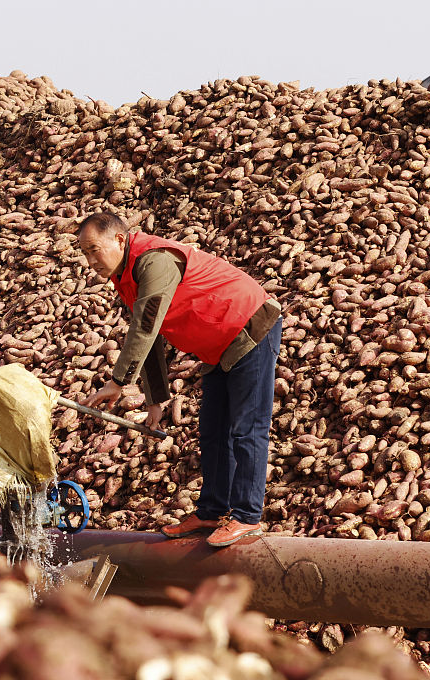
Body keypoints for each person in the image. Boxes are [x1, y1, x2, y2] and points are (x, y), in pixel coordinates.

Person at [77, 211, 282, 547]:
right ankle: (212, 511)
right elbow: (153, 335)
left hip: (250, 327)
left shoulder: (153, 261)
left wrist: (118, 381)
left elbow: (144, 327)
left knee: (247, 428)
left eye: (93, 249)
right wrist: (155, 399)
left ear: (118, 238)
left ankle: (247, 517)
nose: (90, 261)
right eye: (84, 253)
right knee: (213, 430)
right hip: (219, 347)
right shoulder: (126, 278)